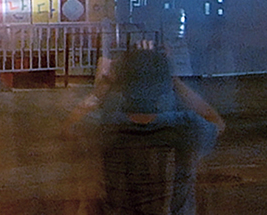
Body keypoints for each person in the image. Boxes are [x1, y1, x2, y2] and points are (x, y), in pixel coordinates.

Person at [93, 33, 222, 215]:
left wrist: (107, 81)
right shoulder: (186, 126)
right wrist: (174, 79)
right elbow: (215, 121)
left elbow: (70, 127)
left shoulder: (108, 128)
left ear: (123, 85)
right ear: (164, 85)